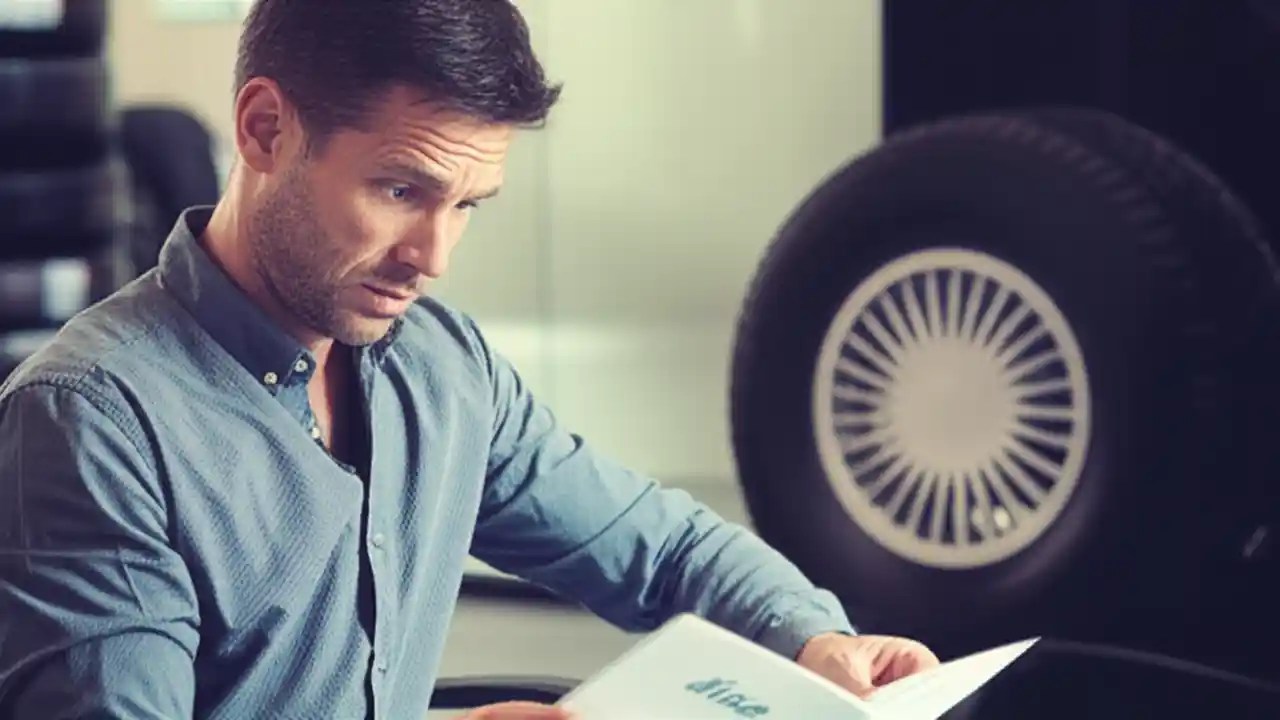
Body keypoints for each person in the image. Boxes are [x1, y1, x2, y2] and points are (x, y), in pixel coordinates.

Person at [0, 1, 939, 718]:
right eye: (400, 190)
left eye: (467, 205)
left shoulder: (441, 366)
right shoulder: (89, 424)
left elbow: (663, 550)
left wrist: (814, 641)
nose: (433, 256)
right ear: (265, 130)